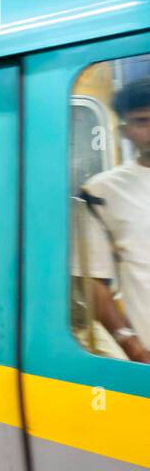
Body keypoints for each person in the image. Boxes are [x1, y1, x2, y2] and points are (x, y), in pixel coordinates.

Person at [75, 76, 150, 362]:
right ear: (124, 130)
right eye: (142, 121)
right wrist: (135, 349)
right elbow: (94, 283)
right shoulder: (101, 192)